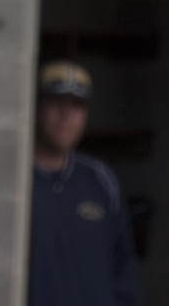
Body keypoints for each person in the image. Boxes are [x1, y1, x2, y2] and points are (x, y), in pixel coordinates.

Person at [28, 61, 140, 306]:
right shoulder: (16, 184)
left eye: (77, 105)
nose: (66, 115)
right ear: (37, 107)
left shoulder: (101, 181)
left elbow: (124, 273)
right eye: (56, 102)